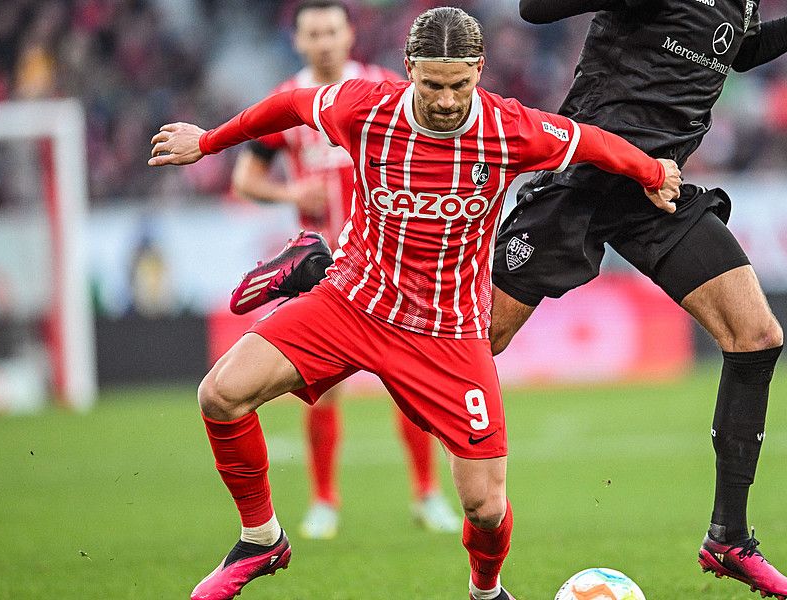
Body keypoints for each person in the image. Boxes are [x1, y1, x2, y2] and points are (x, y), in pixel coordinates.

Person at [234, 2, 787, 598]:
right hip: (578, 185)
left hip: (655, 190)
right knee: (466, 339)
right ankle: (322, 274)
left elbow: (740, 50)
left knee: (757, 337)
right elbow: (535, 10)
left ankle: (729, 539)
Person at [148, 7, 682, 600]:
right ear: (410, 70)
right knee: (220, 395)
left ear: (479, 70)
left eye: (460, 84)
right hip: (354, 301)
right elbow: (288, 107)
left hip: (448, 332)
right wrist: (209, 140)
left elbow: (587, 141)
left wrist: (651, 169)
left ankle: (485, 592)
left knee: (484, 506)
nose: (448, 100)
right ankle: (261, 538)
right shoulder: (366, 108)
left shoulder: (509, 128)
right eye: (433, 85)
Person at [228, 0, 460, 539]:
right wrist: (289, 190)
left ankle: (427, 495)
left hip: (389, 262)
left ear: (349, 33)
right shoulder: (291, 104)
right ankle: (325, 501)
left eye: (333, 30)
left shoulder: (384, 88)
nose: (325, 41)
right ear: (299, 41)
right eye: (314, 33)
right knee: (321, 387)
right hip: (324, 270)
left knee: (407, 381)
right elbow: (245, 179)